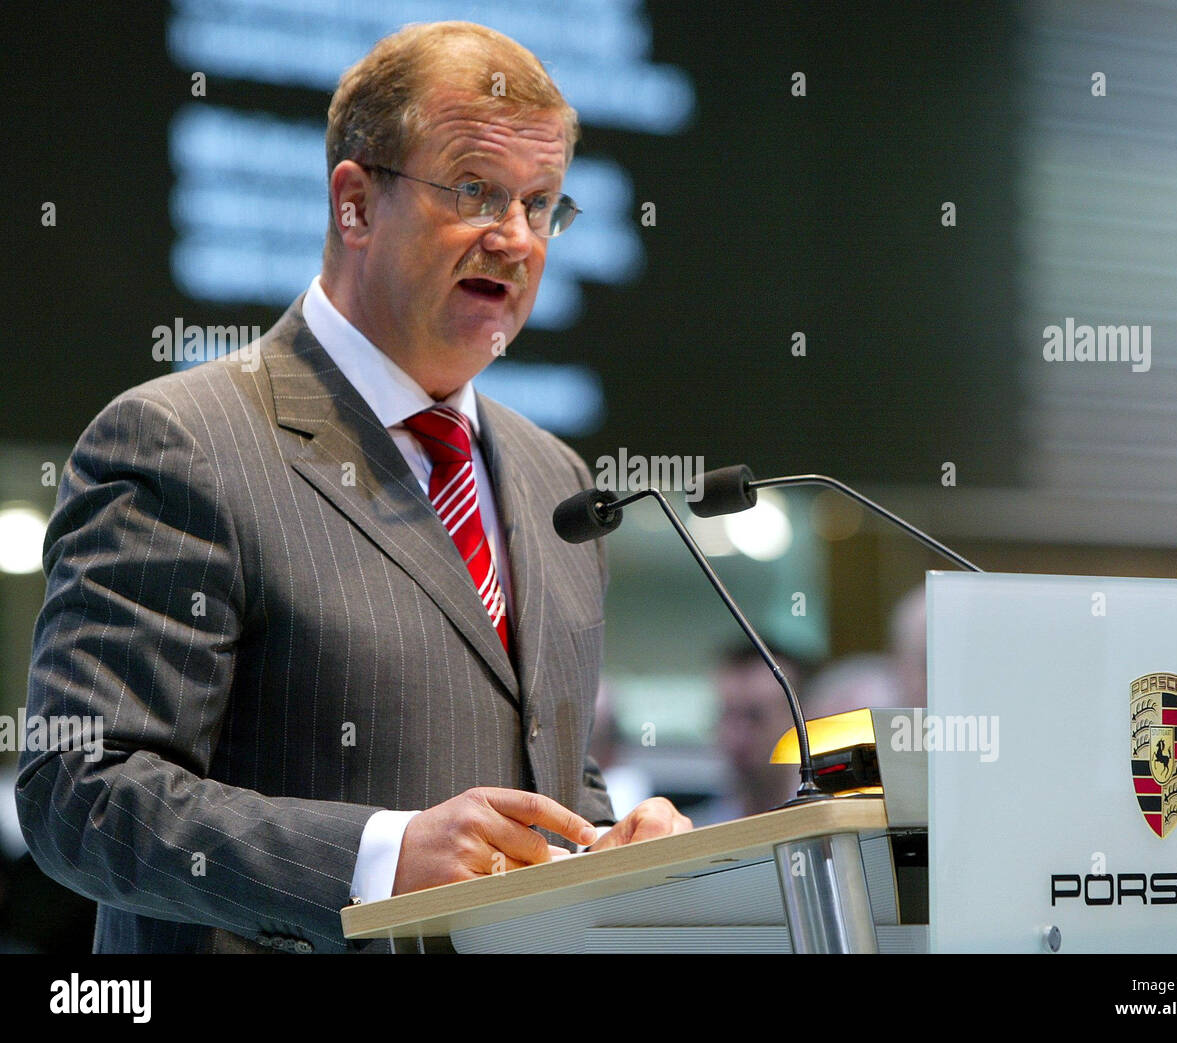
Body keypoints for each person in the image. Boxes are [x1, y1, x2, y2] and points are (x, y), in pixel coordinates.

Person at [18, 21, 689, 954]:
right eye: (474, 191)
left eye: (543, 205)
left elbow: (547, 789)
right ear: (355, 204)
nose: (516, 237)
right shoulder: (182, 441)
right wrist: (378, 858)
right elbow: (81, 794)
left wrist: (608, 855)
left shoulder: (554, 477)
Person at [691, 643, 813, 826]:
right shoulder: (694, 833)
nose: (737, 735)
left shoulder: (835, 822)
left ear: (801, 722)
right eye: (727, 715)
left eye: (754, 717)